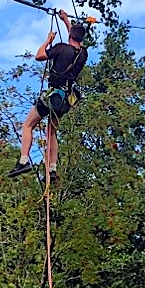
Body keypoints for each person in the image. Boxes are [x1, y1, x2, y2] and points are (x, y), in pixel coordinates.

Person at [10, 11, 94, 180]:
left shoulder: (60, 48)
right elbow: (76, 39)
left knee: (28, 125)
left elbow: (39, 55)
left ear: (70, 35)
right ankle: (52, 170)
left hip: (52, 95)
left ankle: (24, 160)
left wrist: (48, 40)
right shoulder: (83, 54)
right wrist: (66, 20)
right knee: (51, 132)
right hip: (65, 100)